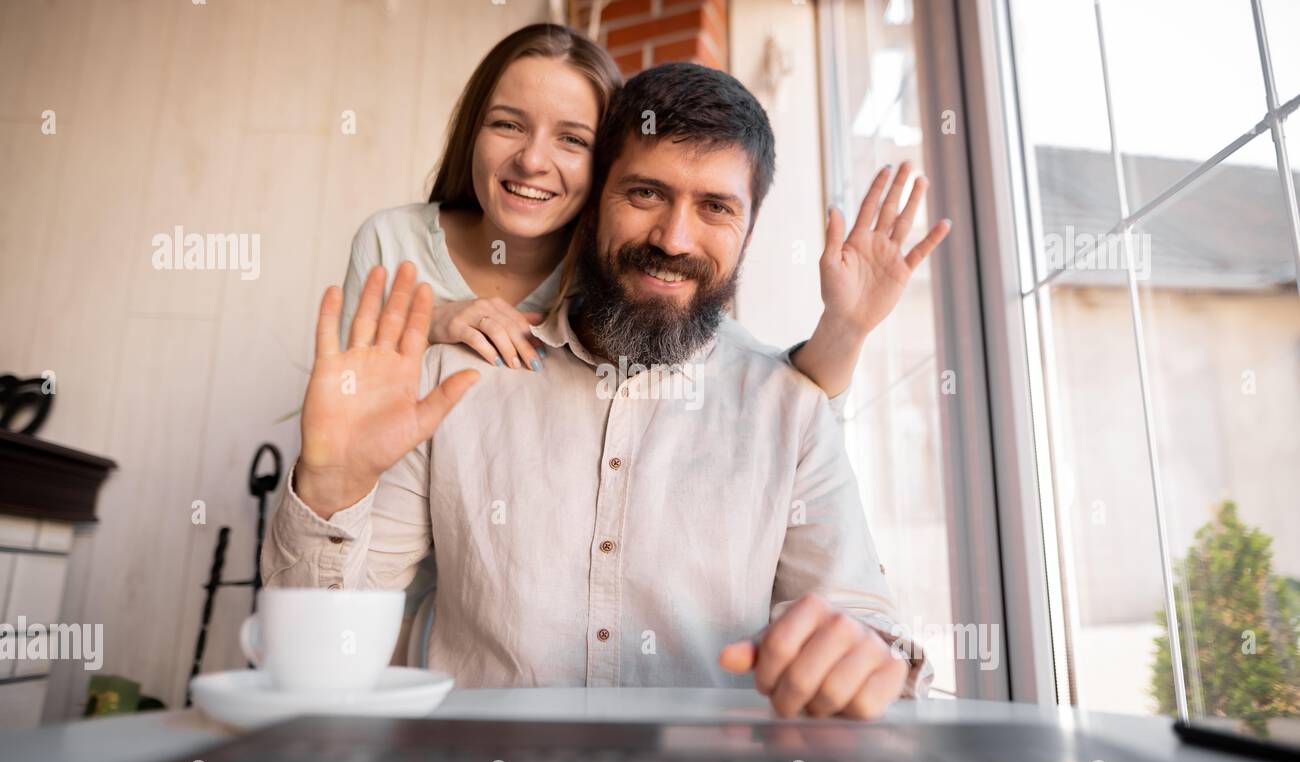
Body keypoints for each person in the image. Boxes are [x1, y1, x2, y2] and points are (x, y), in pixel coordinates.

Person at [264, 62, 952, 718]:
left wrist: (861, 657)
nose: (673, 238)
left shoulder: (794, 413)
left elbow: (865, 627)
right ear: (593, 203)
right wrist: (330, 487)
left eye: (715, 207)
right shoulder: (456, 384)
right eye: (646, 193)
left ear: (748, 230)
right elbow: (320, 657)